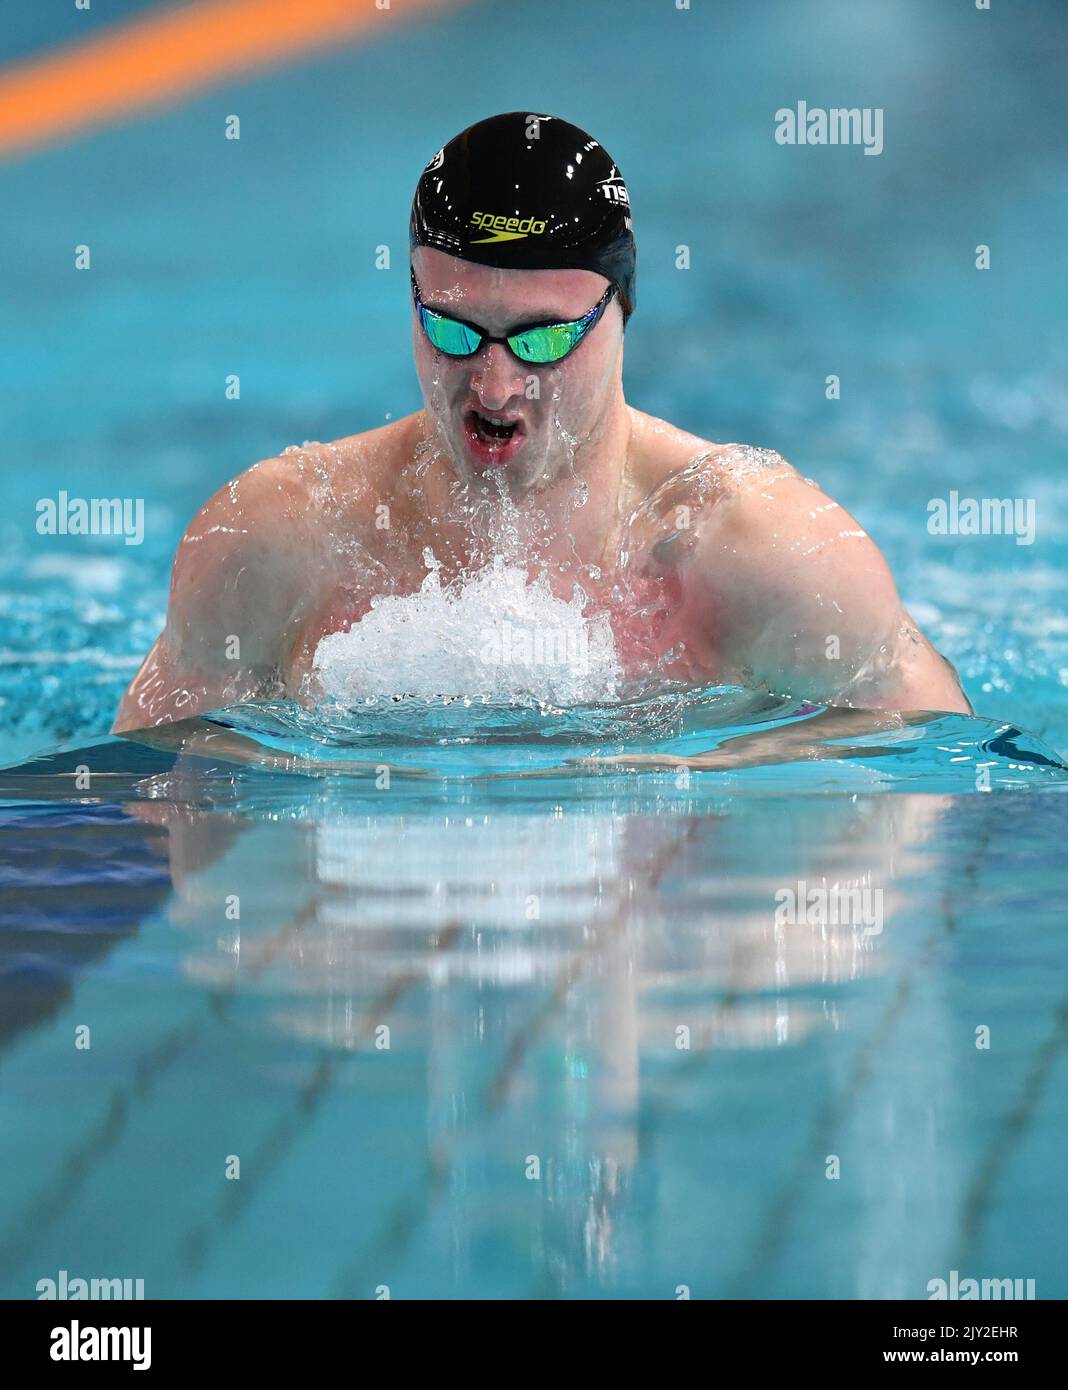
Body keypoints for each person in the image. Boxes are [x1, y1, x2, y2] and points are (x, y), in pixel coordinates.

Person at [114, 110, 971, 734]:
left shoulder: (767, 552)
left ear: (623, 311)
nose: (494, 382)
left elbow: (944, 802)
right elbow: (145, 821)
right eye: (452, 329)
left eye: (545, 337)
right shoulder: (277, 539)